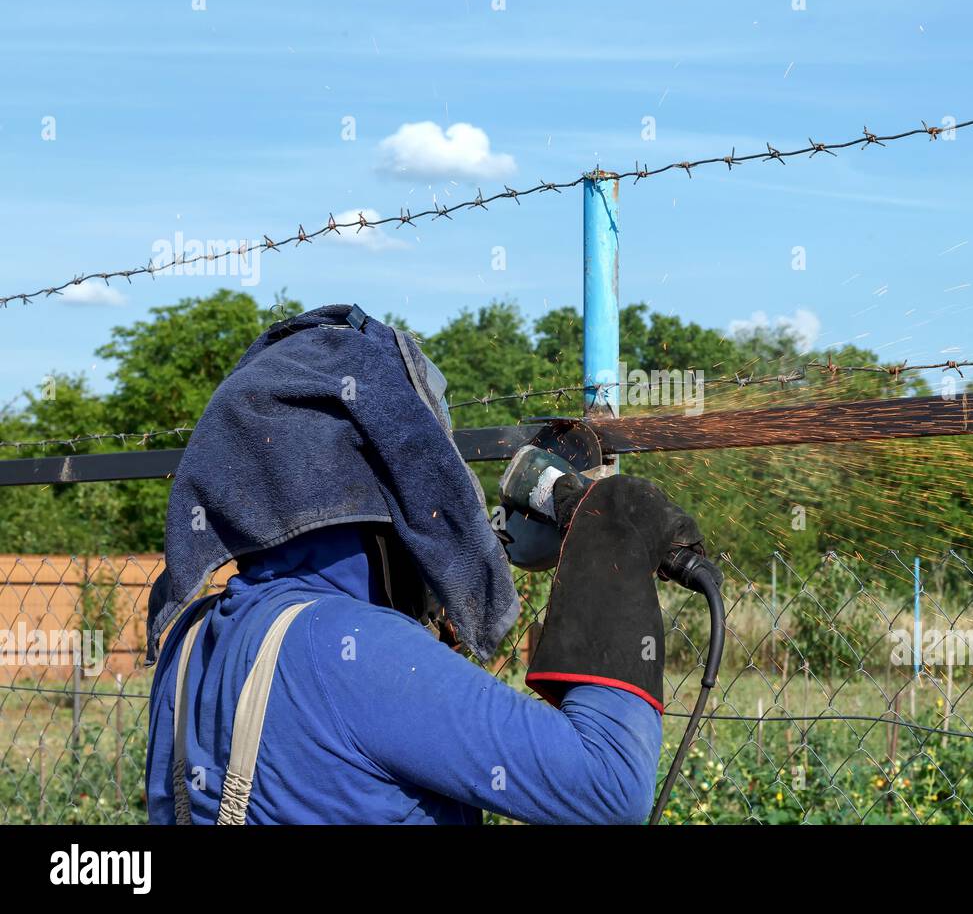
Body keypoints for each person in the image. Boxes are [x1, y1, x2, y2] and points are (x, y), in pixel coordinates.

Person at [144, 304, 707, 824]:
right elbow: (609, 787)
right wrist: (613, 534)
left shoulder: (190, 639)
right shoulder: (350, 646)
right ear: (390, 482)